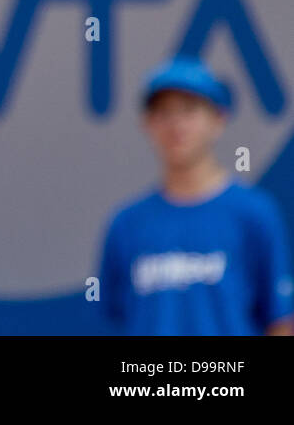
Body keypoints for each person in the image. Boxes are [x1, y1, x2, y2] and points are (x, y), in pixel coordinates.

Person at [98, 56, 294, 335]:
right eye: (164, 112)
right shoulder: (126, 224)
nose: (176, 124)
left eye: (189, 110)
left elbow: (280, 320)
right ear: (147, 123)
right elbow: (114, 318)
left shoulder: (254, 214)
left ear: (218, 119)